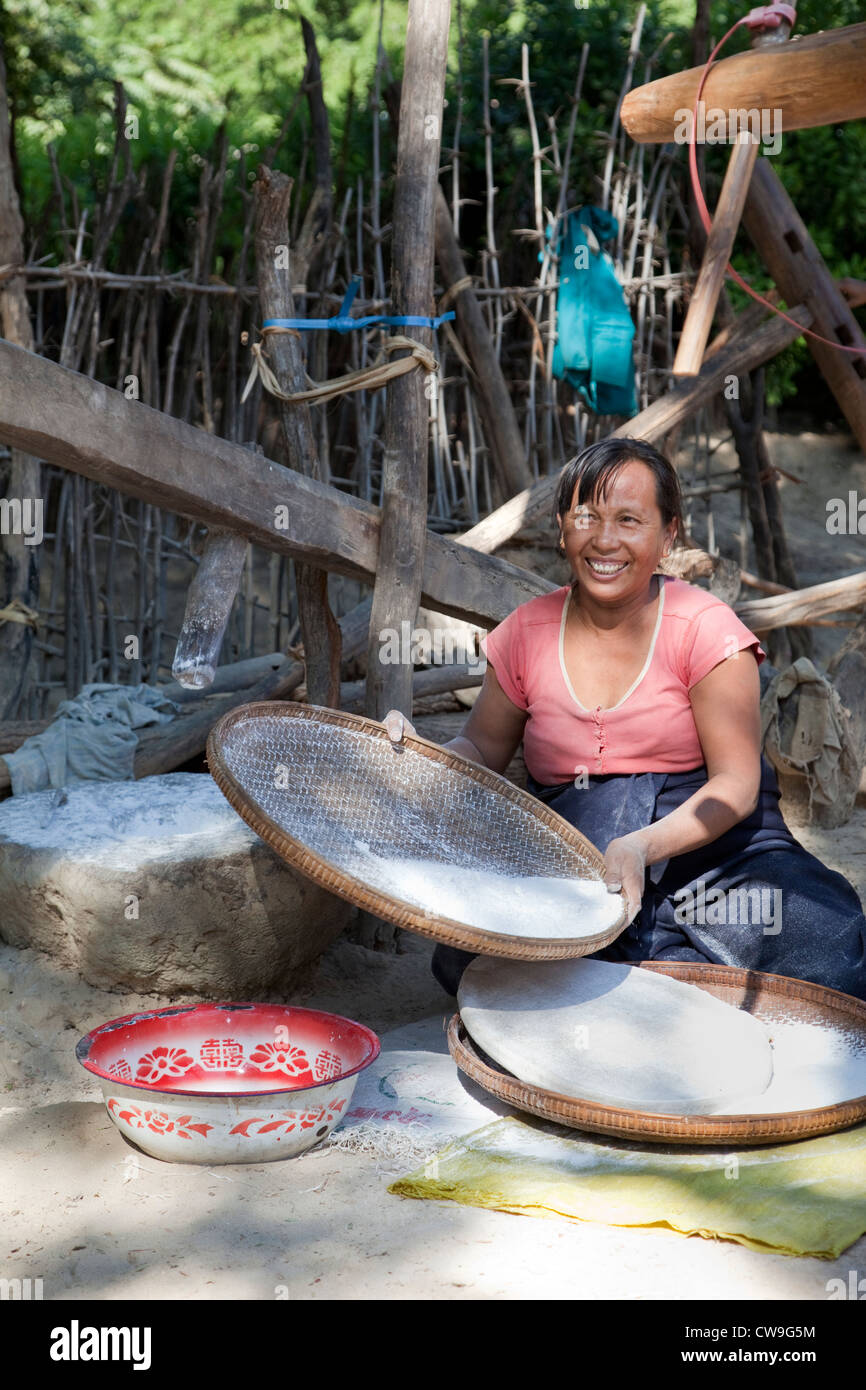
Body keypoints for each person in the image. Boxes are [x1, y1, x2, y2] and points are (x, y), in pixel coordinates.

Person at [383, 437, 866, 1000]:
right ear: (563, 528)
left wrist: (642, 845)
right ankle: (671, 968)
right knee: (476, 965)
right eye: (586, 516)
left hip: (719, 856)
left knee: (825, 956)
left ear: (669, 536)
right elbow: (483, 748)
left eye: (630, 520)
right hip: (578, 862)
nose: (605, 540)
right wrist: (420, 757)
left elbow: (736, 786)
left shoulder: (704, 629)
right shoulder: (525, 634)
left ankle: (673, 962)